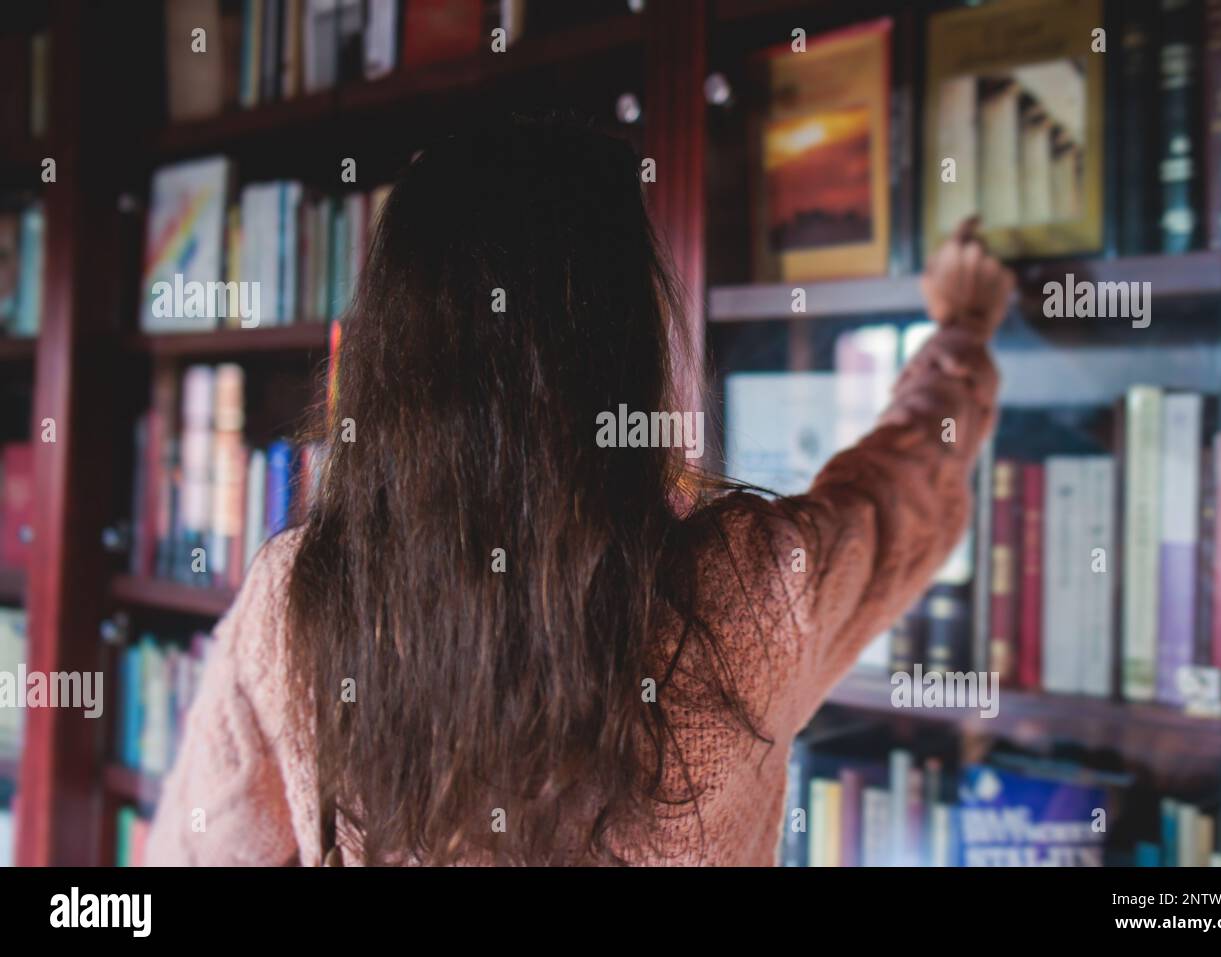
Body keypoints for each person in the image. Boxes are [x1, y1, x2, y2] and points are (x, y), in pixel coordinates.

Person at [145, 115, 1013, 866]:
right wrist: (963, 333)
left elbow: (203, 846)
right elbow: (901, 486)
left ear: (384, 354)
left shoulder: (296, 596)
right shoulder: (748, 590)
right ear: (623, 346)